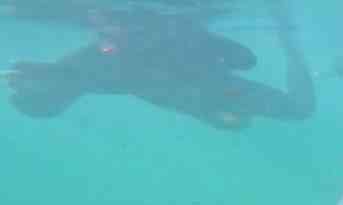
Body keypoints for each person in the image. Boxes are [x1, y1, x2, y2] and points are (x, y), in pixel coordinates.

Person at [3, 0, 315, 129]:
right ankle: (291, 44)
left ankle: (290, 43)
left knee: (256, 76)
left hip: (201, 72)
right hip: (203, 81)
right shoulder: (86, 75)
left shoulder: (84, 72)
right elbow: (154, 90)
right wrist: (207, 114)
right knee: (286, 108)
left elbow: (150, 86)